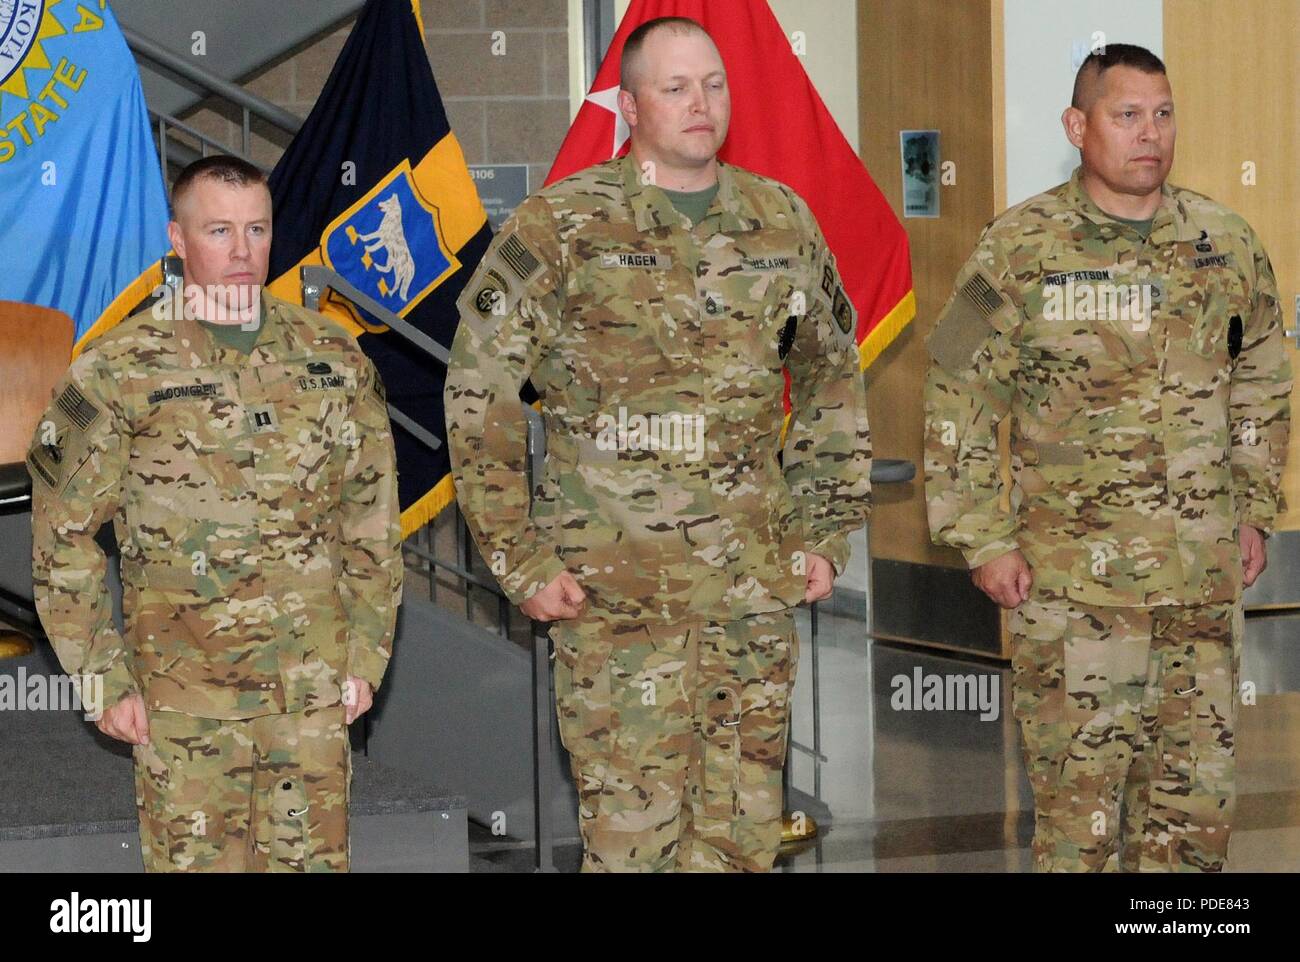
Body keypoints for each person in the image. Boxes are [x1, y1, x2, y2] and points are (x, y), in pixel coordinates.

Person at [445, 16, 871, 872]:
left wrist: (822, 530)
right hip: (616, 603)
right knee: (633, 842)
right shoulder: (561, 225)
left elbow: (831, 378)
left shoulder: (779, 219)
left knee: (742, 838)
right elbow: (477, 391)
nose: (700, 104)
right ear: (631, 105)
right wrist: (520, 560)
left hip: (751, 591)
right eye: (675, 88)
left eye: (713, 85)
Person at [924, 44, 1291, 872]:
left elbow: (1264, 371)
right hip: (1071, 594)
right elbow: (958, 391)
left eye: (1162, 115)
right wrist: (983, 538)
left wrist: (1254, 504)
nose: (1149, 134)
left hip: (1198, 585)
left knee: (1196, 822)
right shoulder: (1017, 249)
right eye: (1127, 116)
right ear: (1077, 126)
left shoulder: (1224, 243)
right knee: (1078, 826)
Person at [28, 155, 403, 872]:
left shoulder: (331, 357)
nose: (241, 251)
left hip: (308, 693)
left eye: (257, 229)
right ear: (177, 238)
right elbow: (63, 537)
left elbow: (372, 521)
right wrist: (102, 679)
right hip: (185, 702)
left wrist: (366, 656)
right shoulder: (117, 369)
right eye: (219, 230)